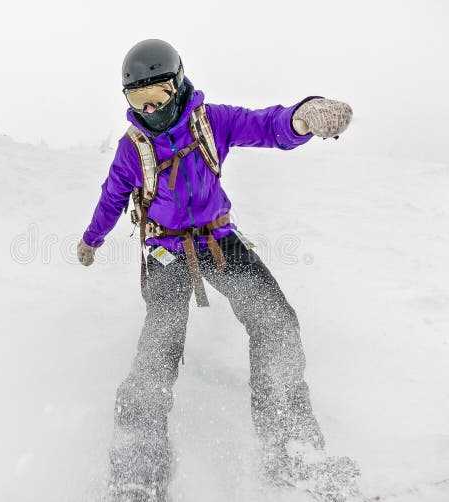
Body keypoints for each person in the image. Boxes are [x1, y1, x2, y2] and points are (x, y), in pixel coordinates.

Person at [77, 39, 357, 502]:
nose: (150, 108)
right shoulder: (132, 149)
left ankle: (291, 449)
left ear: (178, 83)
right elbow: (111, 197)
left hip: (217, 238)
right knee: (160, 342)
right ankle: (136, 473)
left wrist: (303, 117)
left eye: (158, 94)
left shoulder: (211, 121)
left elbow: (266, 124)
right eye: (137, 98)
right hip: (165, 249)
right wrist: (91, 240)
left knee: (275, 321)